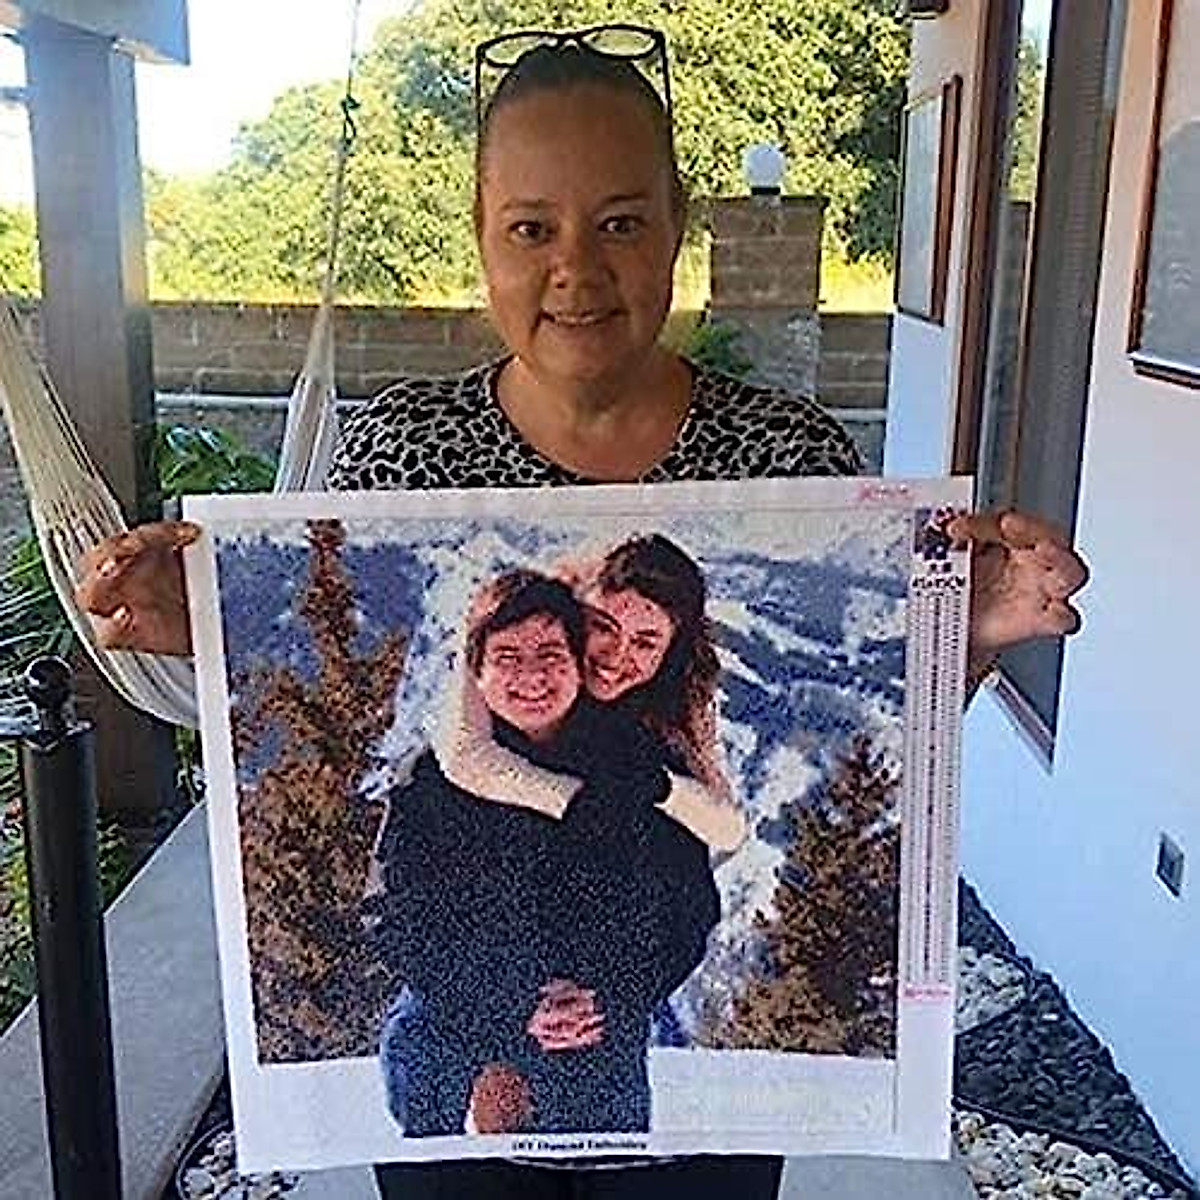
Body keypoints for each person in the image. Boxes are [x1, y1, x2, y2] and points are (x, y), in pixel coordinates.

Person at [75, 24, 1089, 1200]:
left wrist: (969, 634)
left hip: (648, 997)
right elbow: (327, 705)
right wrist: (198, 631)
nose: (576, 268)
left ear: (677, 226)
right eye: (531, 229)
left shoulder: (788, 458)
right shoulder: (397, 453)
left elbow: (875, 738)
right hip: (462, 1011)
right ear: (480, 235)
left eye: (619, 222)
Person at [374, 568, 719, 1137]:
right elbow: (395, 916)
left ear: (578, 665)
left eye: (551, 654)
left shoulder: (635, 765)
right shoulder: (433, 781)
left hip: (594, 1004)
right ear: (477, 672)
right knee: (418, 1059)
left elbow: (686, 908)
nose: (531, 676)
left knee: (602, 1140)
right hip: (471, 995)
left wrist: (610, 996)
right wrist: (510, 1005)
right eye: (507, 657)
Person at [438, 533, 747, 852]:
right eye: (602, 627)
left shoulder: (674, 696)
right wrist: (580, 801)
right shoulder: (516, 625)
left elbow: (728, 830)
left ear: (670, 651)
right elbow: (464, 754)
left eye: (644, 643)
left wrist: (661, 787)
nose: (615, 657)